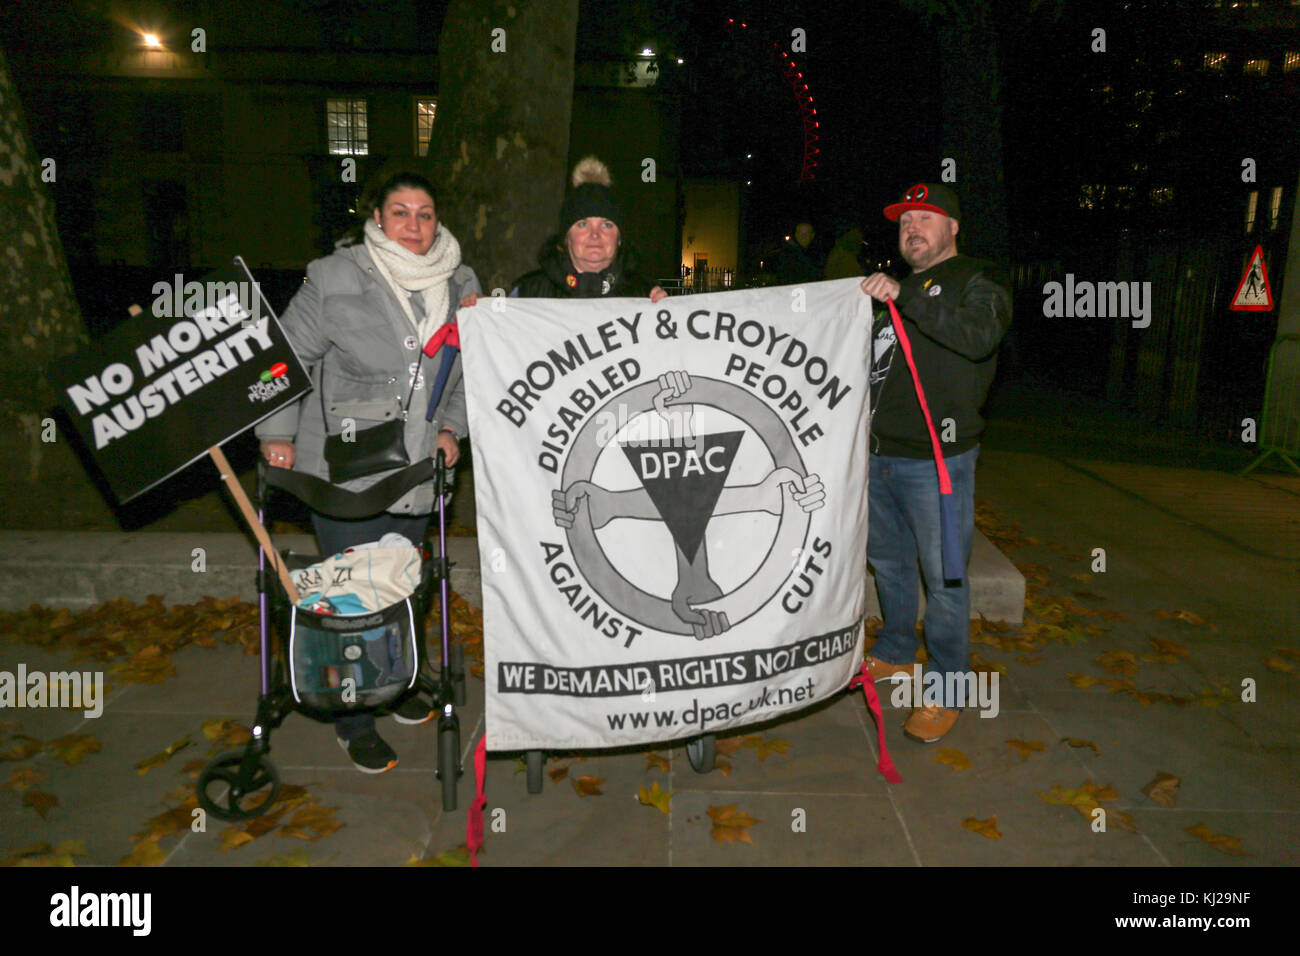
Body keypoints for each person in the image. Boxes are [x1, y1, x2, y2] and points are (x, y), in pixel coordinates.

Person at [255, 170, 482, 773]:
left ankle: (396, 682)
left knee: (403, 584)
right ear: (377, 217)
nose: (414, 225)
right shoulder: (334, 276)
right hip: (341, 464)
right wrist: (276, 435)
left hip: (415, 468)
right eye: (400, 212)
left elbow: (466, 375)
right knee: (350, 593)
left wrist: (450, 428)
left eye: (426, 213)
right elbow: (286, 356)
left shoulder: (462, 283)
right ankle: (352, 716)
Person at [858, 183, 1012, 743]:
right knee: (892, 566)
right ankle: (897, 651)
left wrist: (907, 297)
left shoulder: (980, 280)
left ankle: (948, 688)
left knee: (945, 578)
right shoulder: (891, 294)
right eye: (904, 222)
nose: (913, 228)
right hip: (881, 460)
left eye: (926, 218)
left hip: (940, 463)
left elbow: (977, 337)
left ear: (953, 228)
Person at [507, 156, 667, 301]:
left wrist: (666, 309)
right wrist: (484, 310)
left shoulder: (644, 294)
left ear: (619, 239)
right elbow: (498, 326)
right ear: (566, 238)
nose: (595, 235)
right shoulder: (529, 292)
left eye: (607, 225)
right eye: (583, 224)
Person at [774, 221, 820, 285]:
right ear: (796, 235)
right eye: (800, 233)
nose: (803, 236)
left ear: (812, 236)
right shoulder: (786, 254)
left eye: (806, 233)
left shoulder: (817, 255)